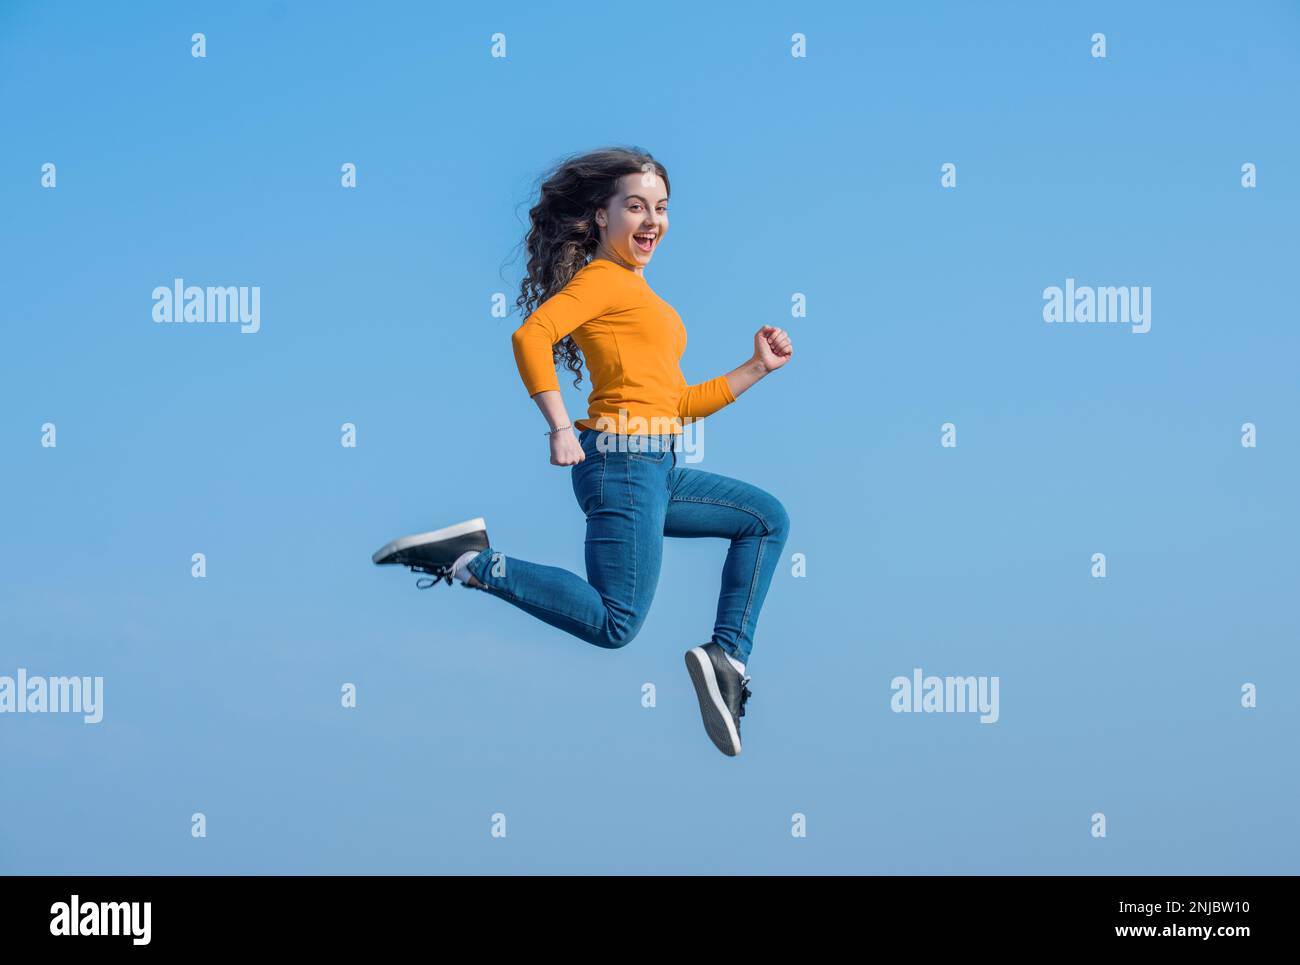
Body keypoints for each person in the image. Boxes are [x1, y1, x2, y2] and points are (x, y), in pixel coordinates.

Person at [373, 147, 793, 756]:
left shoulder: (637, 294)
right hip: (621, 463)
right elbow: (531, 335)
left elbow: (675, 402)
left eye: (661, 209)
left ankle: (727, 657)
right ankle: (474, 561)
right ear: (601, 216)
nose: (651, 220)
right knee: (615, 622)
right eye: (635, 207)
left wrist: (756, 367)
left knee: (765, 519)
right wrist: (558, 426)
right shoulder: (601, 280)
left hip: (653, 464)